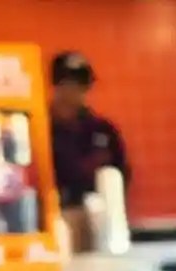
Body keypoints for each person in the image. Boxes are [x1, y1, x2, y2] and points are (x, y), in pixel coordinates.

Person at [49, 51, 129, 252]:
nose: (75, 91)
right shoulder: (40, 130)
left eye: (81, 85)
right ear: (56, 86)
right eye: (68, 83)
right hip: (53, 220)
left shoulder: (102, 131)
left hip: (98, 223)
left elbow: (120, 174)